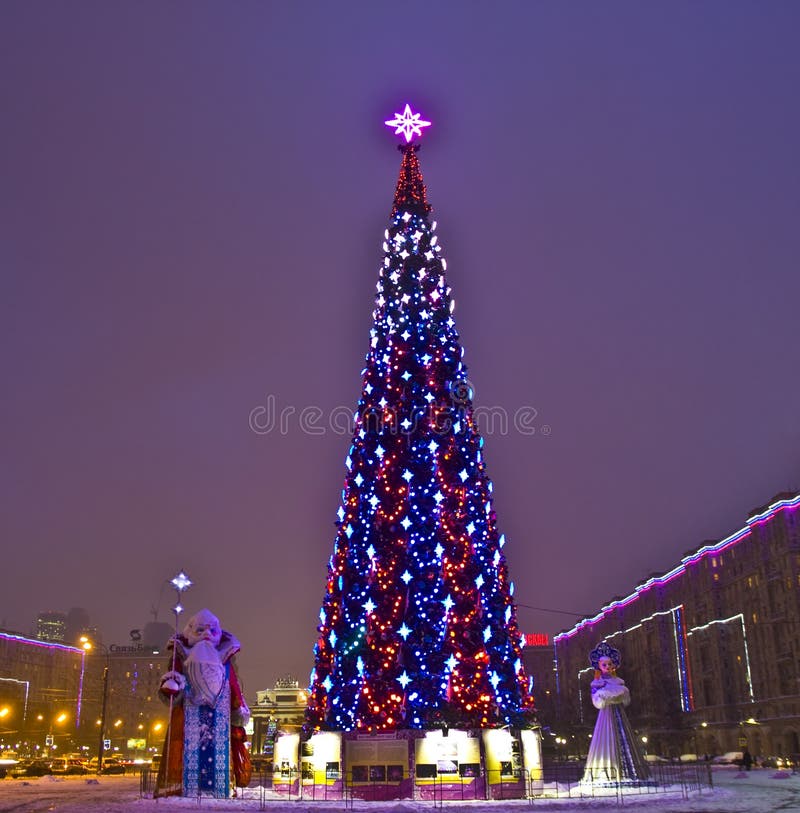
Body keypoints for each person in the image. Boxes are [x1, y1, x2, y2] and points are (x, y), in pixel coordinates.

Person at [154, 609, 251, 798]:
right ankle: (189, 788)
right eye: (200, 630)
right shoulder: (181, 655)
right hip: (189, 717)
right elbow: (173, 683)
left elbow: (233, 684)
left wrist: (238, 706)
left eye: (212, 631)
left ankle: (218, 788)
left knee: (218, 759)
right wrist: (172, 685)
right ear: (191, 631)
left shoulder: (226, 655)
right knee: (190, 755)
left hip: (219, 718)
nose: (207, 635)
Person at [581, 641, 649, 785]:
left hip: (619, 714)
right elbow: (597, 702)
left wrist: (617, 694)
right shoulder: (597, 683)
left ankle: (632, 772)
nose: (608, 667)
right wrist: (607, 695)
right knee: (606, 741)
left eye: (610, 664)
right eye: (604, 665)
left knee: (626, 740)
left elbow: (626, 700)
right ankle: (605, 773)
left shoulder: (619, 682)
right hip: (606, 716)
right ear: (599, 666)